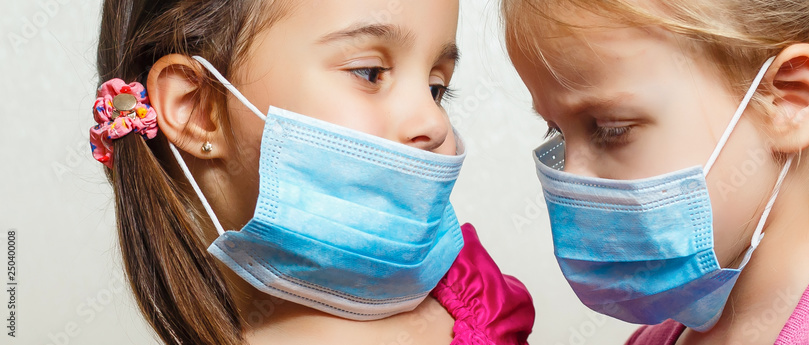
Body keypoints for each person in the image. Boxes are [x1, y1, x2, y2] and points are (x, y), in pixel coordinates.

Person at [502, 0, 809, 343]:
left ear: (788, 101)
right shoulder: (653, 339)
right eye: (556, 131)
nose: (572, 175)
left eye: (611, 128)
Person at [88, 1, 533, 344]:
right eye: (370, 72)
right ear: (197, 109)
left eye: (437, 88)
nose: (435, 123)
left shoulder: (478, 297)